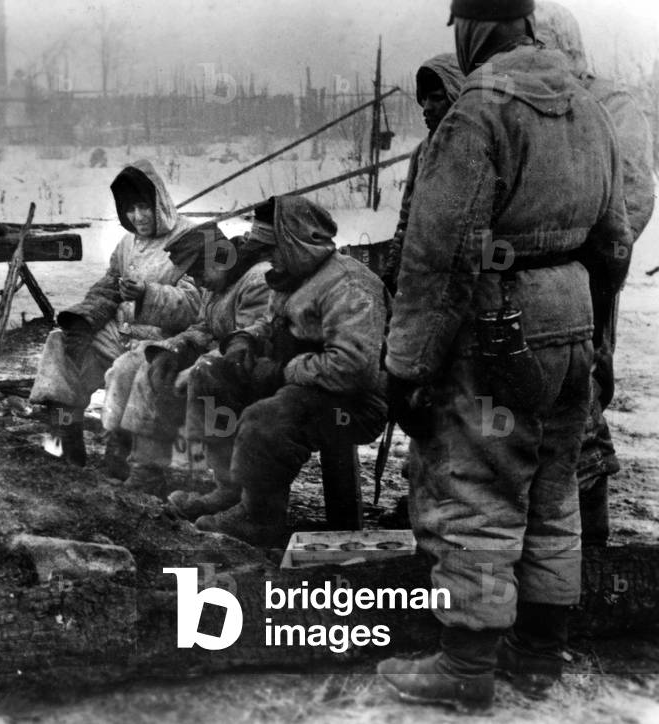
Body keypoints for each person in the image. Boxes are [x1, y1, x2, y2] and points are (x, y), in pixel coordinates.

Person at [377, 0, 632, 712]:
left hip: (497, 327)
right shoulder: (587, 106)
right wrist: (598, 340)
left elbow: (440, 256)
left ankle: (465, 666)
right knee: (553, 494)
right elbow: (614, 242)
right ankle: (541, 656)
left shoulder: (478, 111)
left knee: (477, 491)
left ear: (474, 26)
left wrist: (406, 366)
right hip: (573, 321)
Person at [189, 195, 388, 545]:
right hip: (299, 385)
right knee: (210, 377)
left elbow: (352, 368)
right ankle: (232, 489)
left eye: (274, 250)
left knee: (266, 418)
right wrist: (244, 341)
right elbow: (270, 323)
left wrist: (282, 371)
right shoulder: (291, 277)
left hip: (354, 403)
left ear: (297, 244)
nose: (269, 259)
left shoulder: (350, 285)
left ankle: (260, 517)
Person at [535, 0, 656, 547]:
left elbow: (634, 193)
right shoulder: (529, 103)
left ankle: (592, 545)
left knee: (582, 398)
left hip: (587, 278)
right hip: (528, 280)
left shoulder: (611, 103)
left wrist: (594, 264)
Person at [29, 160, 201, 465]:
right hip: (121, 334)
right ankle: (64, 446)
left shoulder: (189, 238)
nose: (138, 217)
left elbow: (196, 304)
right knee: (60, 343)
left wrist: (148, 294)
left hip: (161, 340)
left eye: (143, 207)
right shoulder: (127, 243)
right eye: (129, 210)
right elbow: (108, 287)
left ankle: (119, 457)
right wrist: (83, 321)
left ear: (158, 201)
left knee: (124, 369)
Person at [99, 219, 273, 497]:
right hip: (216, 361)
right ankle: (143, 469)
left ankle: (221, 487)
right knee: (151, 364)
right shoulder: (219, 281)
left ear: (222, 256)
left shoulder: (256, 280)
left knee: (174, 376)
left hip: (244, 372)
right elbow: (204, 327)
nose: (198, 280)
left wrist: (189, 370)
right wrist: (173, 347)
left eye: (199, 271)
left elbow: (248, 344)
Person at [381, 53, 465, 295]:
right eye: (424, 99)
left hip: (464, 280)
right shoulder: (421, 153)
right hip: (422, 275)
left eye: (437, 98)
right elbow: (406, 220)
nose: (426, 108)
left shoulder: (477, 153)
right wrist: (392, 272)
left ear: (457, 99)